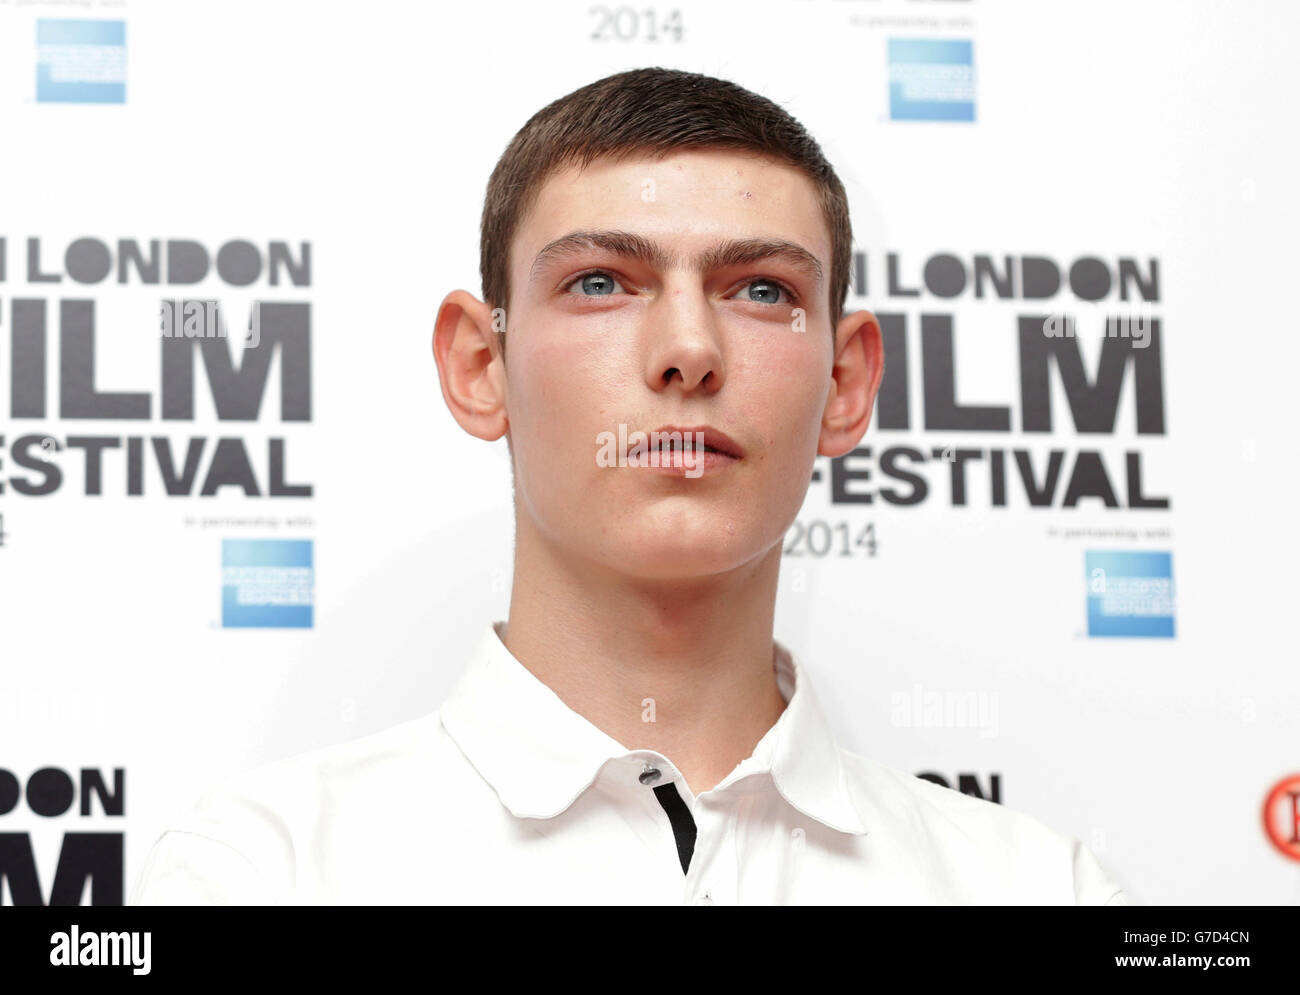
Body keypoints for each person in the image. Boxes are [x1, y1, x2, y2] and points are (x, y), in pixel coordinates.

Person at [131, 67, 1129, 905]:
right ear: (480, 365)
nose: (689, 349)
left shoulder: (1041, 890)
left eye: (762, 290)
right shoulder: (264, 871)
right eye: (601, 282)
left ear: (845, 381)